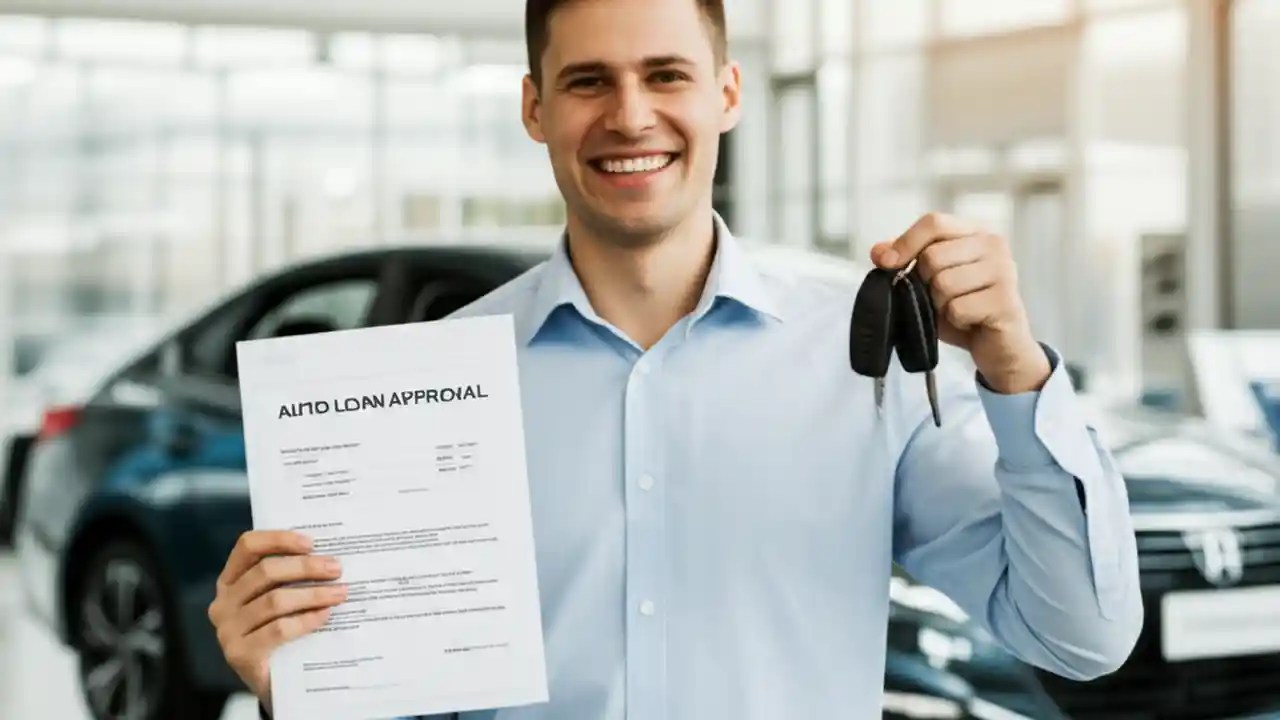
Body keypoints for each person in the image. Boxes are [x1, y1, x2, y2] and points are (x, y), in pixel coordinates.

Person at [207, 0, 1144, 717]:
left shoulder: (863, 372)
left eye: (666, 75)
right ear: (534, 107)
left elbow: (1082, 636)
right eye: (587, 82)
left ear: (727, 93)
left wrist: (1017, 371)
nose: (630, 115)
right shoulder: (428, 389)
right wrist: (295, 679)